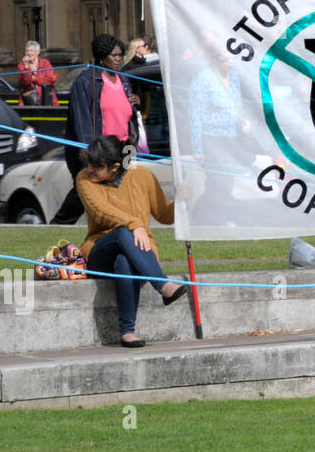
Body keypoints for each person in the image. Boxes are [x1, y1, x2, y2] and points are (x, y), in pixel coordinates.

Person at [76, 135, 187, 347]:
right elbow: (100, 211)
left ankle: (127, 331)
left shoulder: (142, 176)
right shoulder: (84, 179)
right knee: (122, 233)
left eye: (96, 167)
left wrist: (183, 199)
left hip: (138, 250)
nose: (89, 169)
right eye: (88, 163)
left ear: (115, 167)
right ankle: (163, 285)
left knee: (124, 261)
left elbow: (164, 215)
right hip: (100, 250)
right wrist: (134, 224)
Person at [52, 34, 141, 225]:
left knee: (123, 187)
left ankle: (118, 227)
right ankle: (59, 225)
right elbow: (80, 115)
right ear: (102, 57)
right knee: (86, 190)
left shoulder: (124, 80)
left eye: (120, 55)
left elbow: (127, 111)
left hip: (125, 146)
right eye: (114, 55)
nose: (119, 59)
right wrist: (86, 147)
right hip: (98, 148)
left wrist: (135, 103)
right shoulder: (85, 81)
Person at [187, 42, 249, 220]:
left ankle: (218, 217)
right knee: (216, 182)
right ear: (214, 59)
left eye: (232, 58)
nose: (230, 62)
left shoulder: (234, 77)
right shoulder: (202, 80)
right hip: (211, 138)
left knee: (228, 181)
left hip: (232, 136)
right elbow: (195, 116)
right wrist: (198, 149)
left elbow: (237, 104)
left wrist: (243, 121)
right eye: (226, 58)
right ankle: (206, 218)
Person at [16, 40, 58, 106]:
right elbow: (25, 82)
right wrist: (26, 67)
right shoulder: (21, 65)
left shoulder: (45, 63)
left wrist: (34, 78)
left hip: (47, 99)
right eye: (27, 51)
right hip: (29, 101)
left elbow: (52, 79)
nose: (29, 53)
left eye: (31, 51)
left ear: (37, 52)